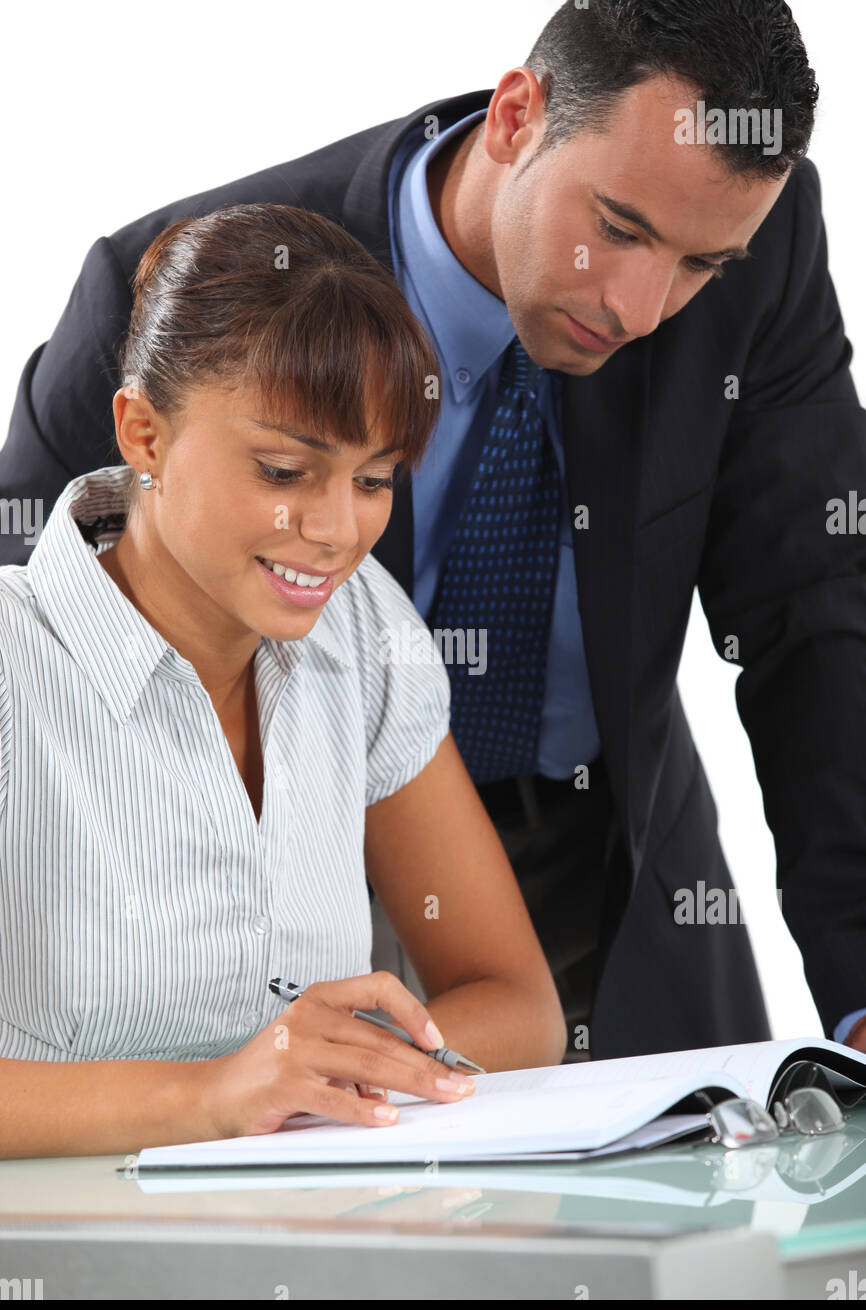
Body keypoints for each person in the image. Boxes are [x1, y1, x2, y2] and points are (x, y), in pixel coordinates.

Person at [1, 0, 864, 1060]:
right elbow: (44, 670)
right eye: (617, 229)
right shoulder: (190, 304)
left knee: (702, 1204)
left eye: (697, 266)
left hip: (608, 872)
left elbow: (814, 620)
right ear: (514, 116)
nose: (642, 308)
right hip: (268, 894)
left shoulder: (749, 248)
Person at [0, 204, 567, 1159]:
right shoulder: (17, 667)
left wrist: (337, 1068)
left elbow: (520, 1007)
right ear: (142, 435)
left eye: (375, 478)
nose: (338, 530)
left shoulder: (362, 633)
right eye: (284, 470)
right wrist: (220, 1093)